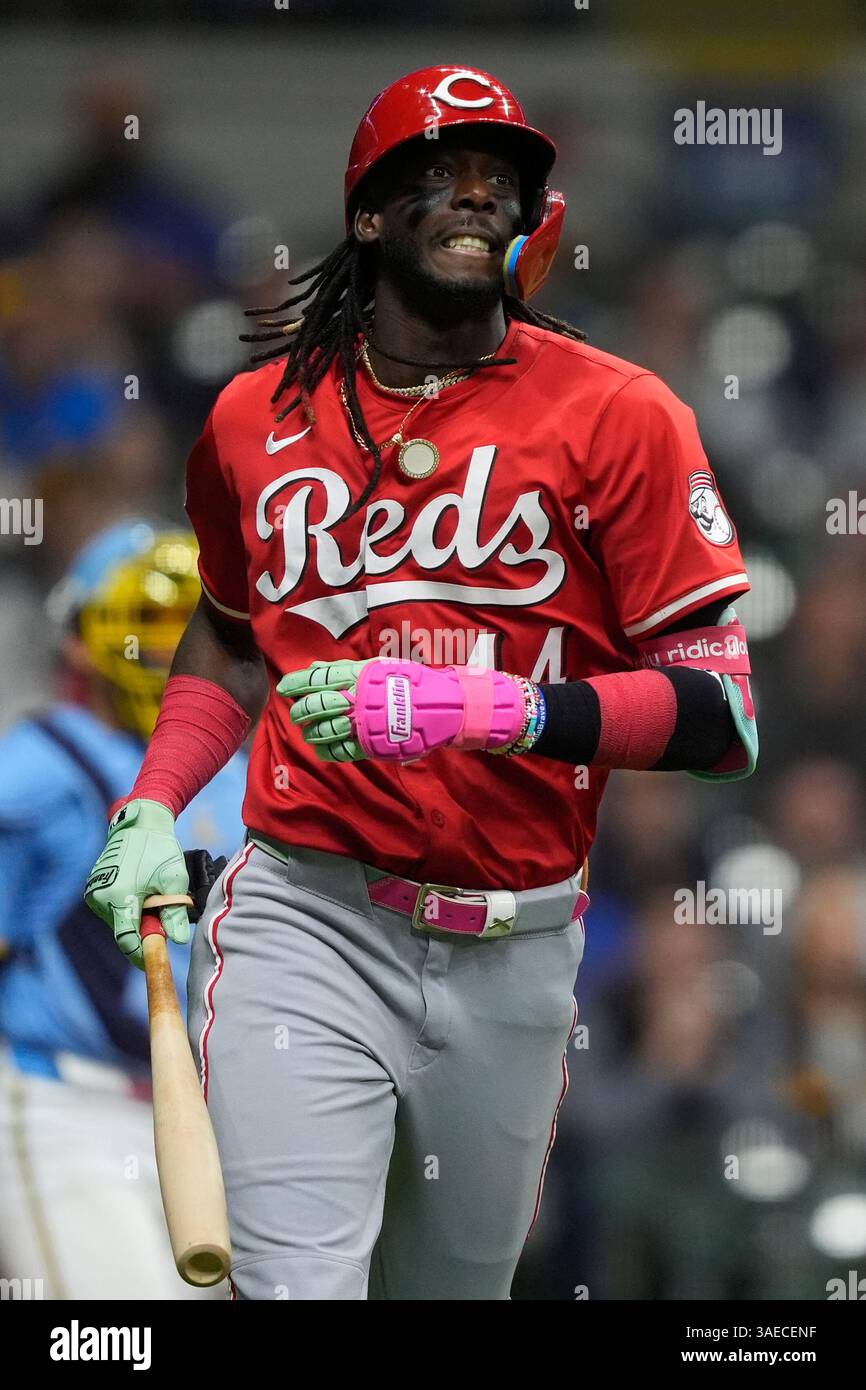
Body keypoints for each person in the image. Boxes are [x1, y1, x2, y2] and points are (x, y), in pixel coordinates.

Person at [84, 66, 758, 1301]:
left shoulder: (625, 415)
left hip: (518, 936)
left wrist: (499, 712)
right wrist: (156, 799)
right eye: (437, 173)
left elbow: (719, 720)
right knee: (293, 1290)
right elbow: (231, 638)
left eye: (499, 180)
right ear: (366, 216)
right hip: (309, 910)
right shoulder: (250, 419)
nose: (473, 195)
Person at [0, 520, 246, 1299]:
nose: (167, 648)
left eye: (182, 626)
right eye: (146, 624)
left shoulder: (250, 767)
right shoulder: (45, 760)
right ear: (80, 642)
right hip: (71, 1101)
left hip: (218, 1123)